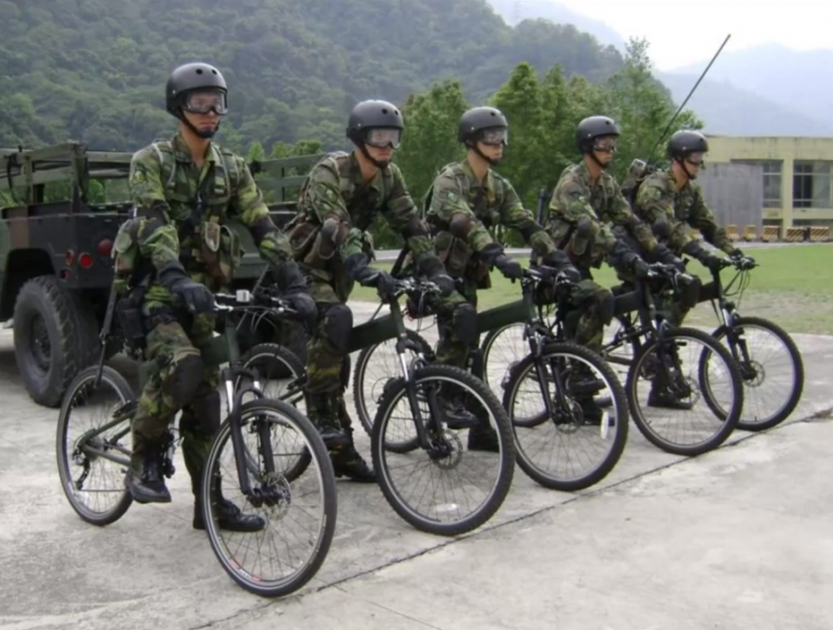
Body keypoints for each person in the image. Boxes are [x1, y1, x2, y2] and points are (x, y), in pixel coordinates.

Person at [111, 62, 316, 531]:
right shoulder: (152, 161)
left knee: (207, 404)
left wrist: (294, 278)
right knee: (182, 366)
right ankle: (142, 459)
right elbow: (154, 222)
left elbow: (262, 223)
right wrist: (176, 276)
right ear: (178, 107)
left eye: (217, 102)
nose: (210, 111)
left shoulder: (232, 168)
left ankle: (210, 505)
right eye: (198, 102)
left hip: (206, 297)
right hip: (159, 293)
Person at [285, 99, 456, 482]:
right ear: (359, 137)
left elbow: (411, 224)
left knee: (339, 348)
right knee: (336, 318)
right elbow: (336, 224)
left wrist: (434, 267)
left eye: (393, 137)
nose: (386, 145)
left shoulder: (388, 177)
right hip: (303, 267)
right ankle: (321, 411)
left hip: (342, 270)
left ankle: (341, 453)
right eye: (378, 136)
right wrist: (365, 269)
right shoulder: (329, 172)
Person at [424, 106, 580, 447]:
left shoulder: (498, 185)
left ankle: (481, 427)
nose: (499, 145)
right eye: (490, 138)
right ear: (471, 141)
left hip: (470, 272)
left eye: (501, 137)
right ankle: (444, 395)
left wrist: (556, 256)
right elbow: (466, 222)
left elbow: (525, 222)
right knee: (461, 324)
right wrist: (497, 255)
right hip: (437, 271)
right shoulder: (450, 180)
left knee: (473, 346)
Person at [547, 115, 688, 409]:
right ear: (587, 146)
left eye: (613, 145)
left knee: (641, 288)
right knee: (600, 298)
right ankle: (581, 372)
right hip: (556, 265)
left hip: (581, 265)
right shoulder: (572, 183)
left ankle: (584, 397)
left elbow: (633, 222)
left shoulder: (607, 184)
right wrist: (627, 256)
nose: (610, 150)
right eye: (603, 144)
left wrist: (663, 255)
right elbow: (594, 228)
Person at [635, 129, 745, 327]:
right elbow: (668, 226)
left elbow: (708, 225)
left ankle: (667, 337)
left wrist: (734, 252)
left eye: (701, 158)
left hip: (669, 261)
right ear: (678, 158)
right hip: (641, 257)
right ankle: (657, 347)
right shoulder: (654, 187)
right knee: (681, 288)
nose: (699, 165)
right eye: (694, 159)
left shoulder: (690, 191)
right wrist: (700, 253)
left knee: (689, 288)